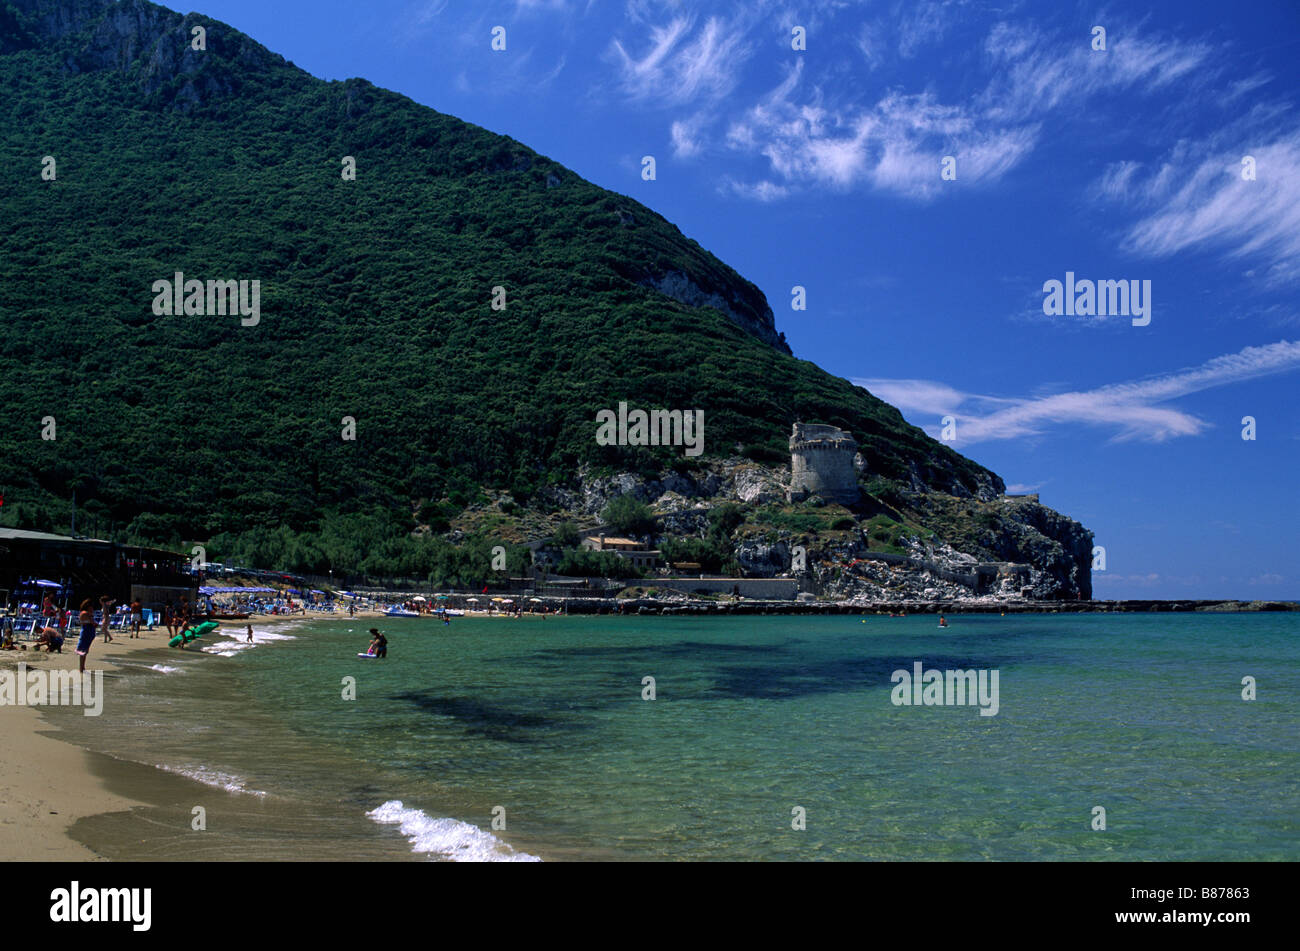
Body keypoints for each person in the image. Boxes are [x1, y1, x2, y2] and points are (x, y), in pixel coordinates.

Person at [76, 599, 97, 672]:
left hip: (86, 630)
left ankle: (82, 667)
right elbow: (93, 623)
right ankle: (81, 668)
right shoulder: (87, 613)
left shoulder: (82, 613)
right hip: (88, 631)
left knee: (83, 650)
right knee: (84, 650)